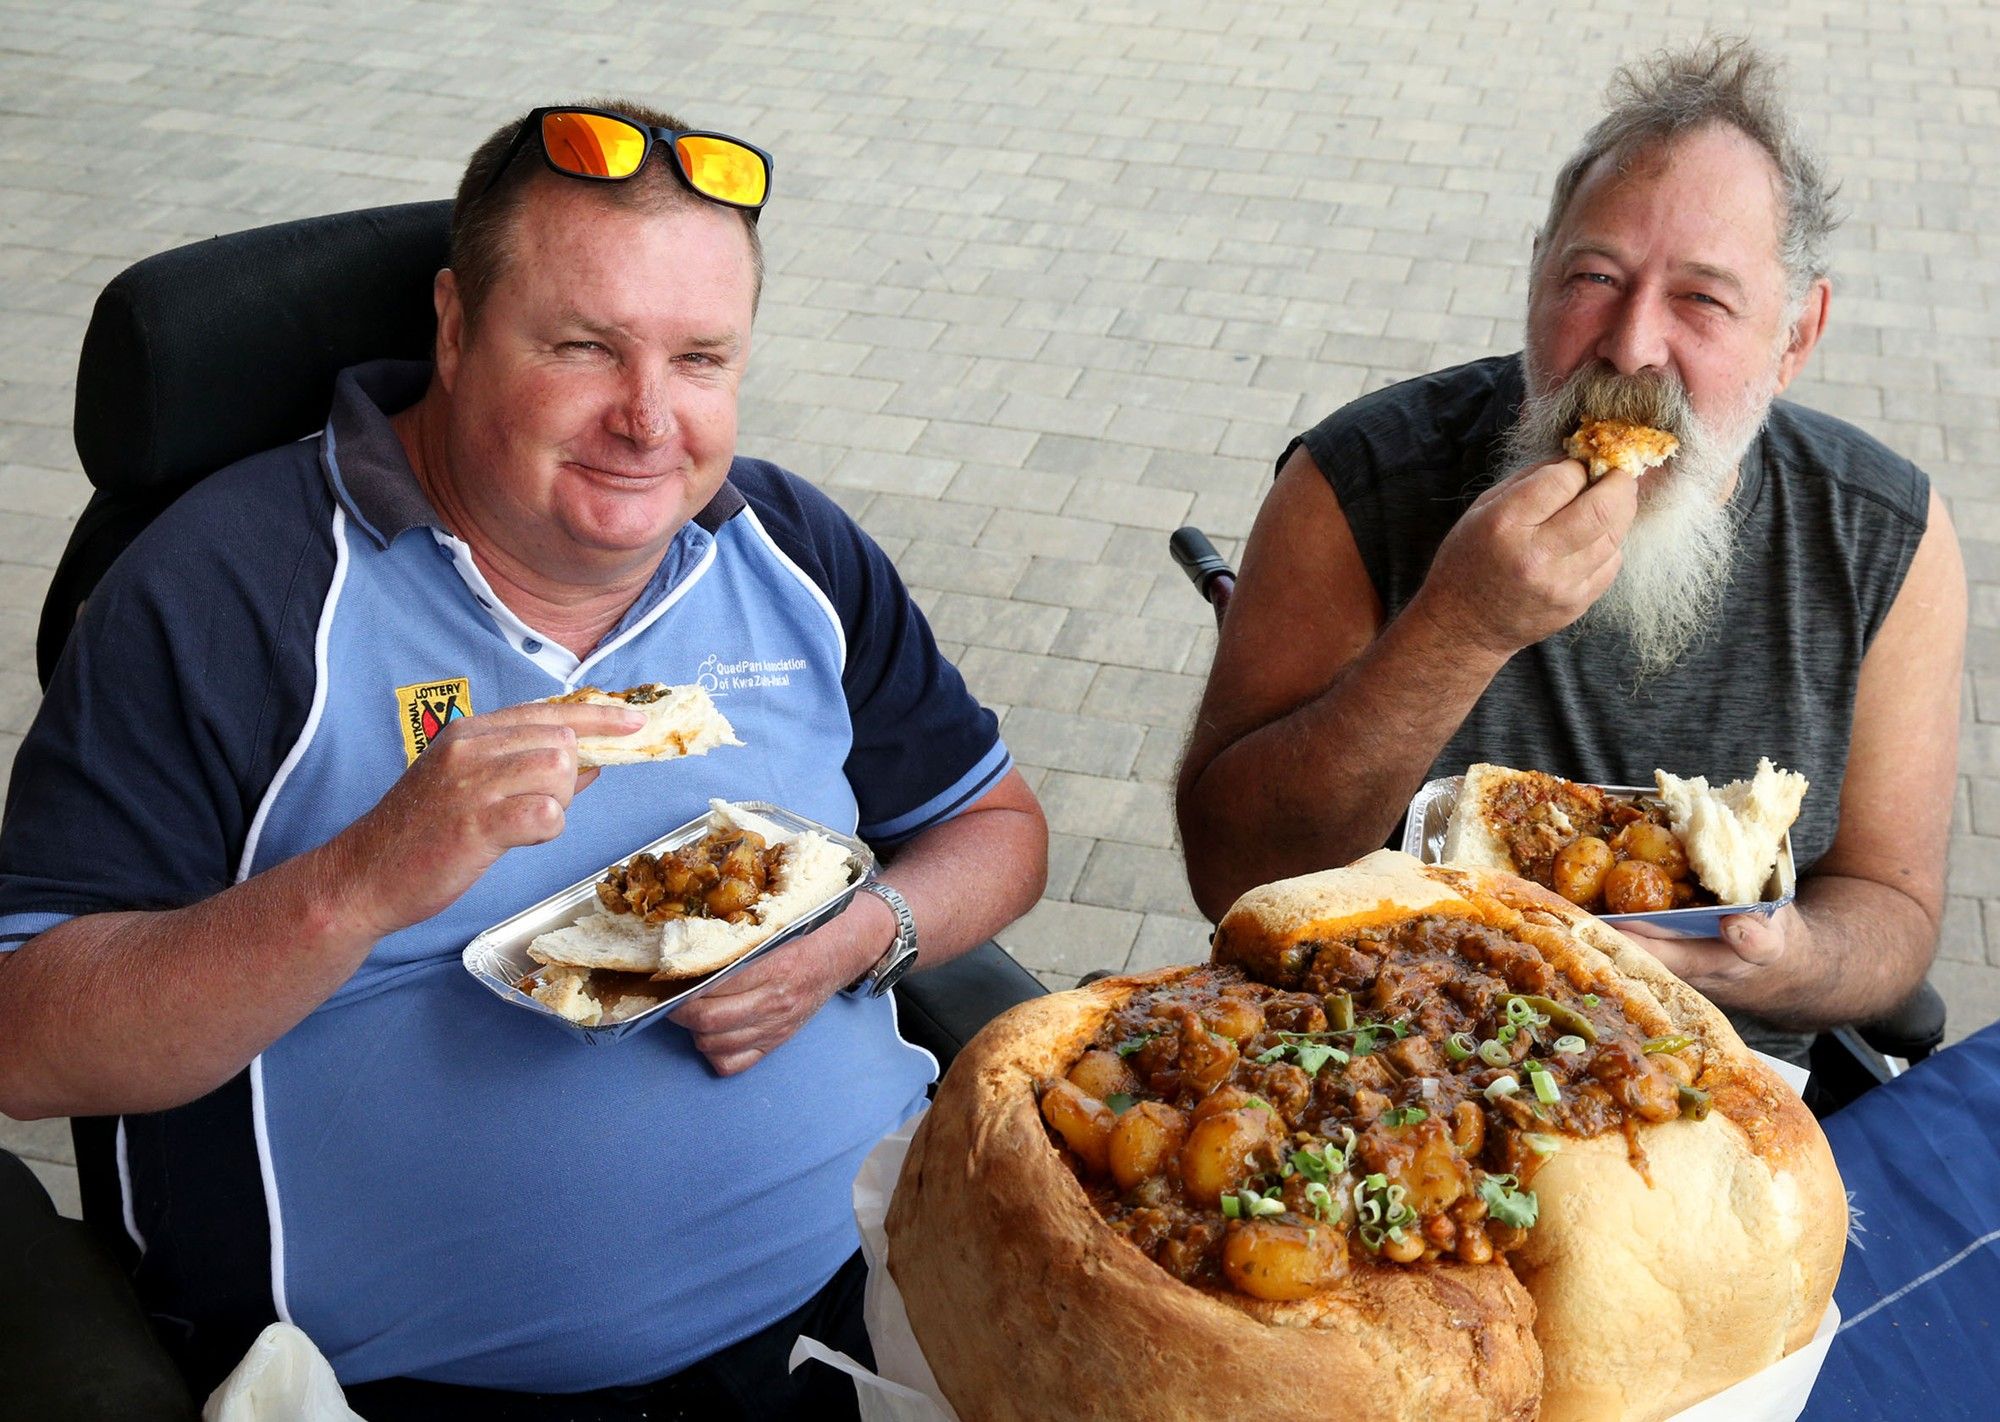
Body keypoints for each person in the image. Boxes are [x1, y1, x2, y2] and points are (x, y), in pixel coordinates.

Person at [0, 101, 1047, 1419]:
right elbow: (25, 1040)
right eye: (582, 348)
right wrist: (366, 877)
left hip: (895, 1293)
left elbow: (997, 822)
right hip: (425, 1383)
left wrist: (868, 934)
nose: (649, 420)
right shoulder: (226, 594)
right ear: (452, 326)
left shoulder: (792, 550)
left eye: (703, 358)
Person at [1176, 40, 1965, 1067]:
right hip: (1378, 1058)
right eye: (1594, 277)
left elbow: (1891, 907)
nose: (1630, 345)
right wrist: (1456, 628)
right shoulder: (1356, 483)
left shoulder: (1879, 537)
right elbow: (1233, 870)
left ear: (1794, 335)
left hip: (1719, 1084)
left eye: (1701, 299)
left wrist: (1786, 960)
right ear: (1536, 272)